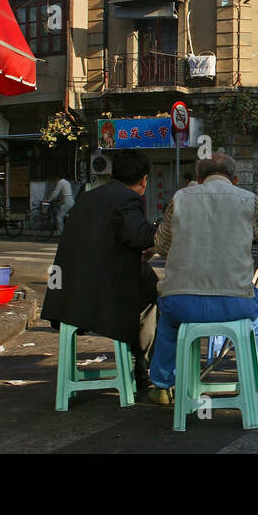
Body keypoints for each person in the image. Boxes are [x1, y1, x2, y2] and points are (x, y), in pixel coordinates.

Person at [146, 152, 258, 405]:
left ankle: (163, 386)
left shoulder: (180, 198)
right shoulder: (249, 200)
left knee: (169, 322)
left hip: (182, 304)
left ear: (199, 178)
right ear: (235, 179)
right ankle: (256, 382)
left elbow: (161, 244)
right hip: (234, 305)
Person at [41, 151, 159, 381]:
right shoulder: (128, 198)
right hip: (99, 299)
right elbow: (140, 237)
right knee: (157, 292)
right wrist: (164, 229)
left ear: (113, 173)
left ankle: (141, 362)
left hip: (66, 297)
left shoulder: (88, 197)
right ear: (144, 179)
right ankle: (146, 364)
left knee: (145, 281)